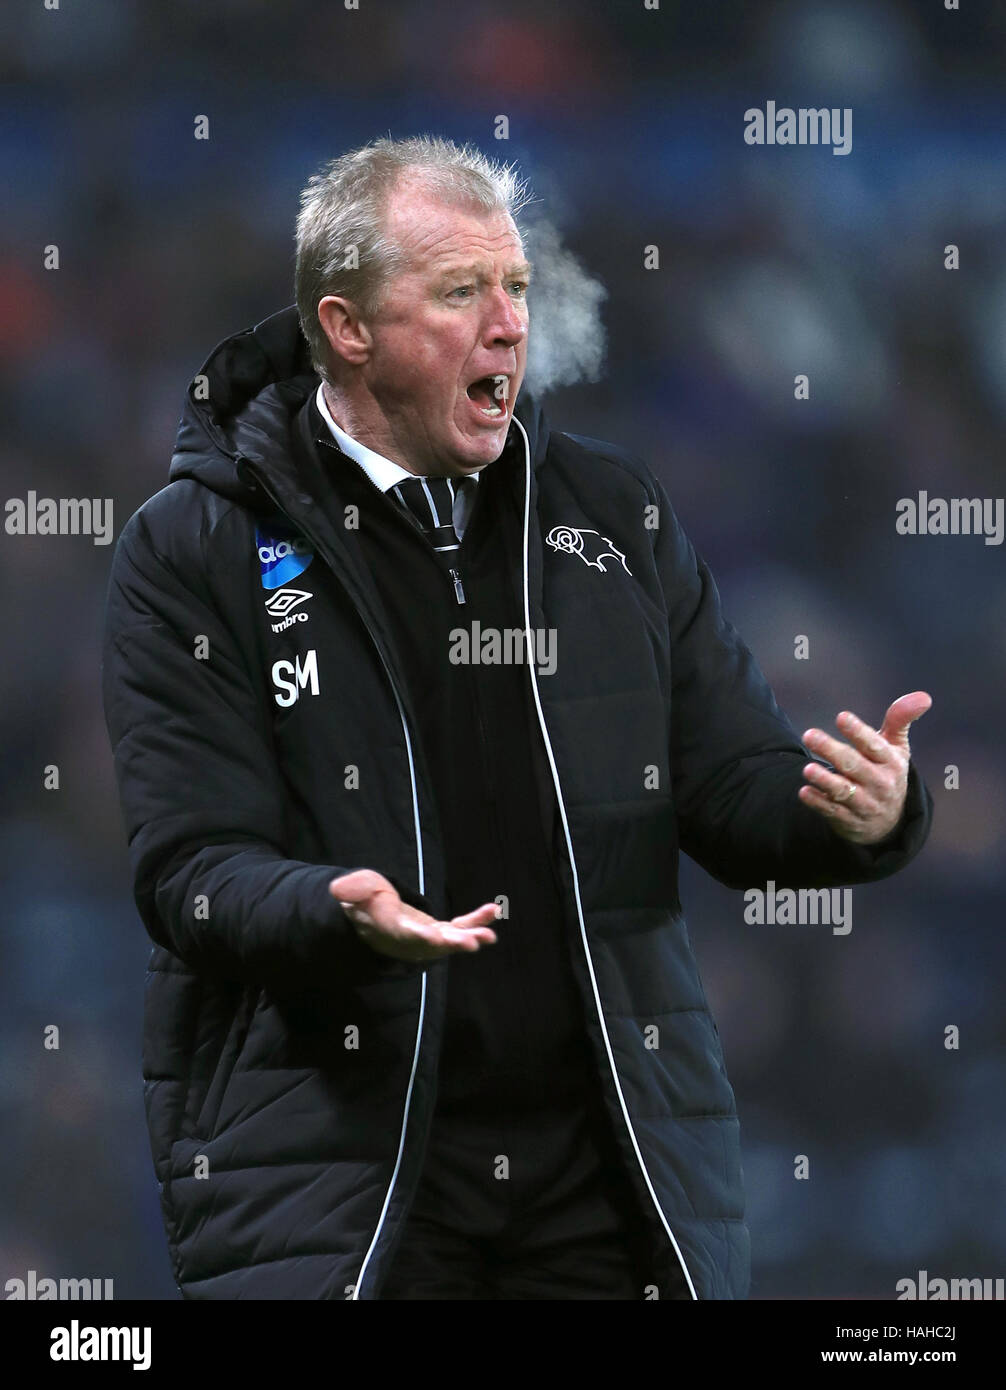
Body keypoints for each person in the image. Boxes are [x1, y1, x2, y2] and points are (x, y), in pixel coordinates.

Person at [100, 135, 933, 1300]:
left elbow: (731, 788)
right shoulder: (198, 546)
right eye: (459, 292)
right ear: (346, 328)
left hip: (609, 1172)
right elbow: (187, 870)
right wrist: (333, 910)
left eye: (518, 288)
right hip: (344, 1177)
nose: (508, 326)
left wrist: (860, 812)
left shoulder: (610, 511)